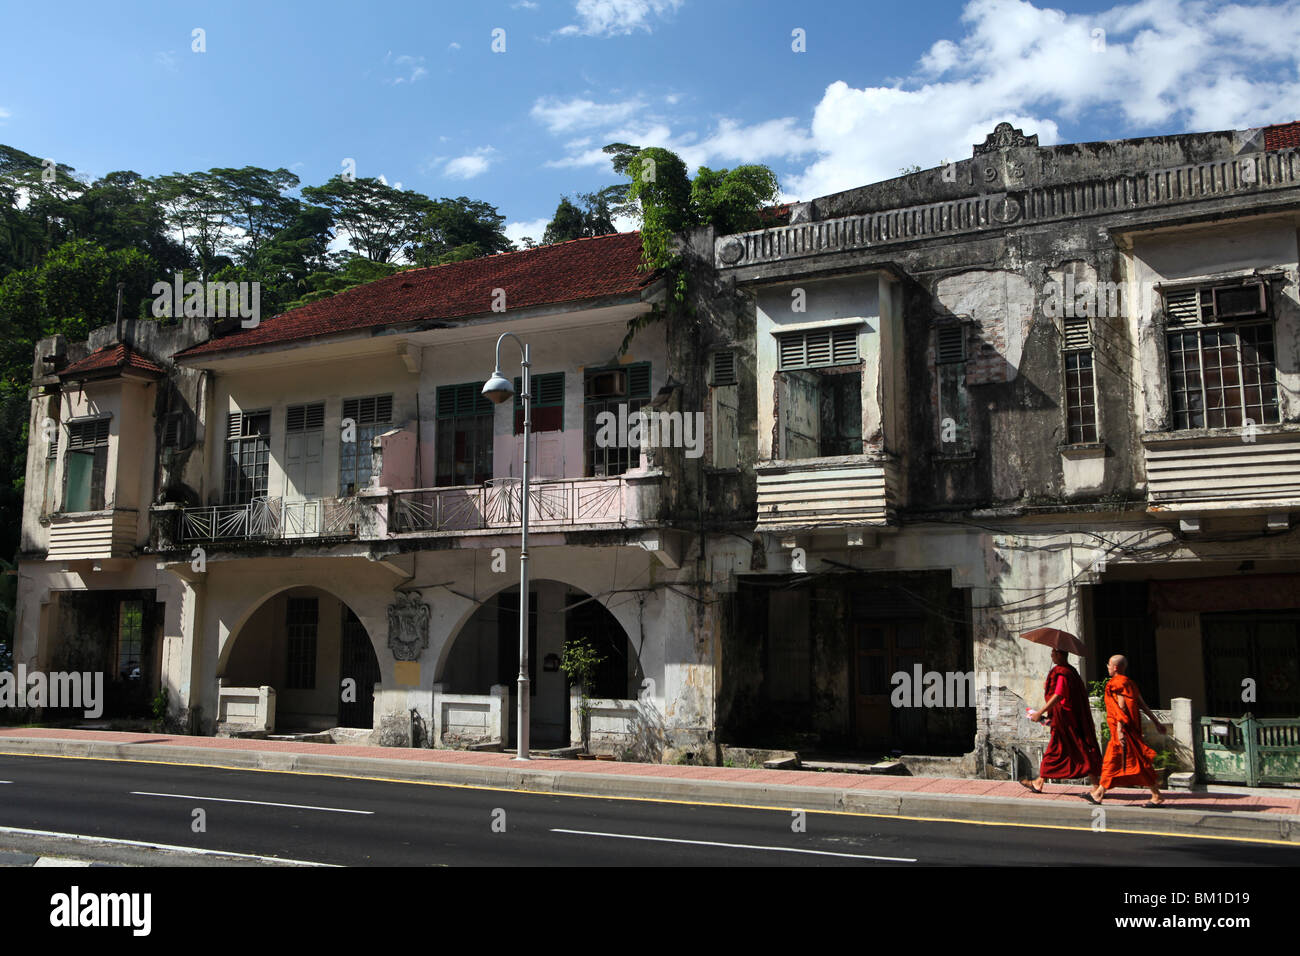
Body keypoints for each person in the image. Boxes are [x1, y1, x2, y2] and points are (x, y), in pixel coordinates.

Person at [1086, 654, 1166, 807]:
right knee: (1116, 761)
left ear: (1115, 668)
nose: (1107, 667)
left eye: (1109, 664)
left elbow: (1121, 707)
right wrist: (1156, 722)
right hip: (1127, 730)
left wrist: (1120, 730)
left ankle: (1156, 794)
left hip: (1123, 731)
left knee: (1135, 762)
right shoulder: (1130, 683)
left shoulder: (1117, 683)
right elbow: (1142, 704)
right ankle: (1099, 792)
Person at [1020, 648, 1101, 793]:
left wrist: (1040, 712)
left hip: (1066, 720)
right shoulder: (1068, 671)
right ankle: (1039, 781)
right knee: (1058, 750)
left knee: (1077, 749)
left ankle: (1096, 786)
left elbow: (1058, 695)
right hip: (1064, 718)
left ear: (1060, 655)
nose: (1051, 655)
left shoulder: (1064, 673)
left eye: (1053, 653)